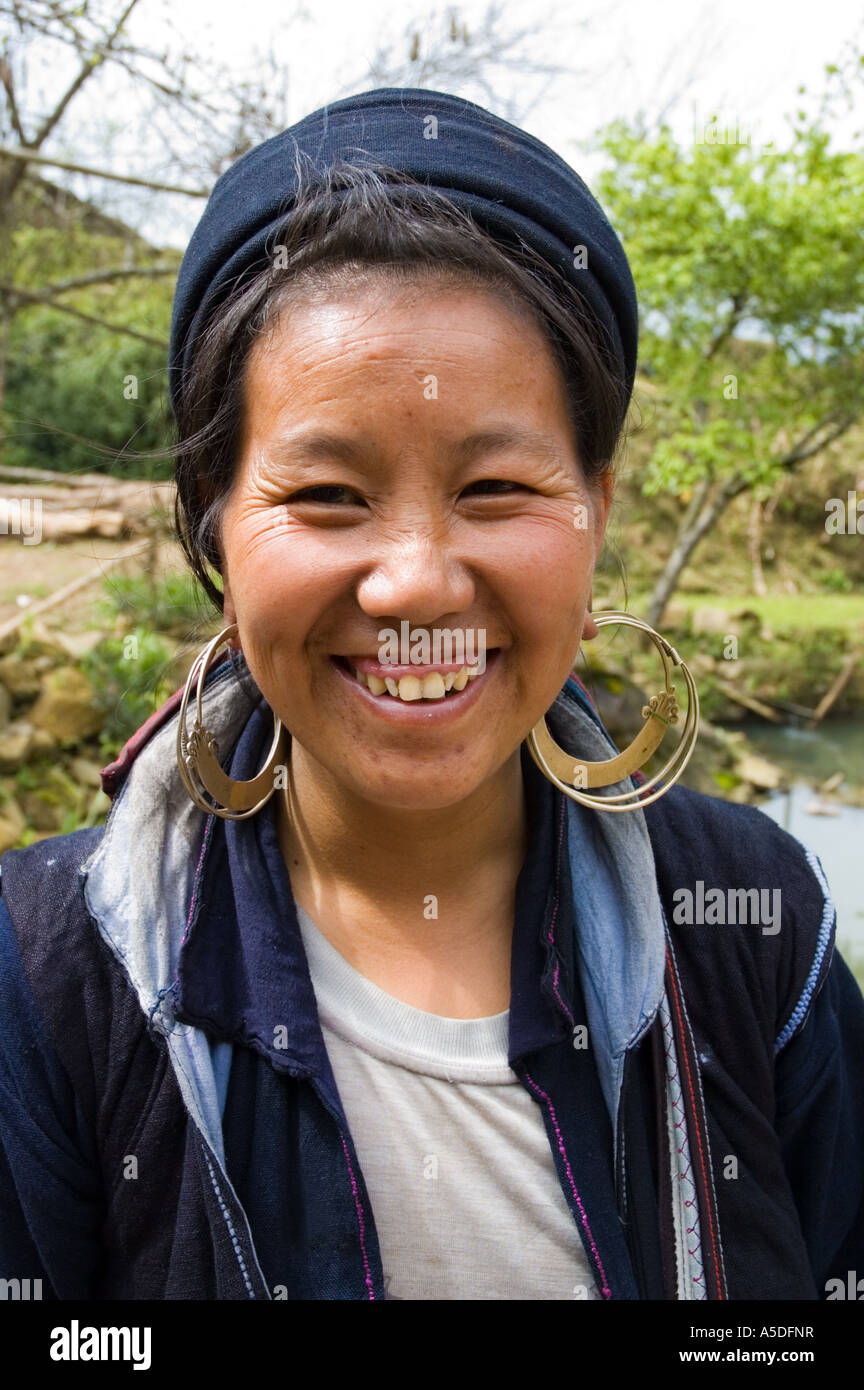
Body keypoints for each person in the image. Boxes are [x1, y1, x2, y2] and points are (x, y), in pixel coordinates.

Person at [1, 87, 862, 1303]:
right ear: (217, 526)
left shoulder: (755, 924)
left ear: (596, 511)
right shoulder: (44, 977)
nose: (414, 583)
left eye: (500, 488)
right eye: (329, 497)